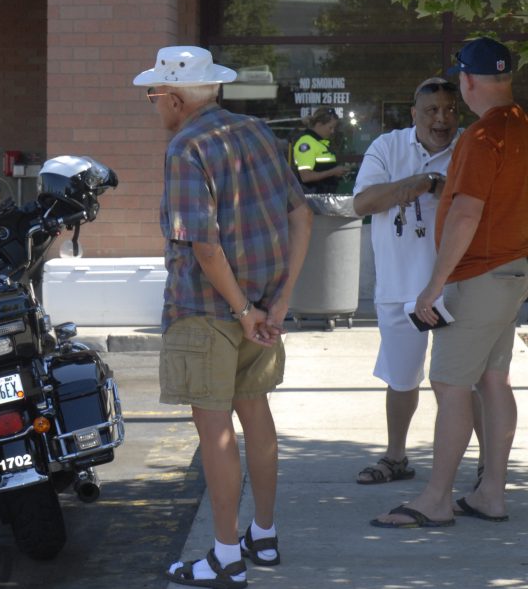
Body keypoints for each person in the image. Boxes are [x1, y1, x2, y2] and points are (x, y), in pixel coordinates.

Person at [134, 46, 312, 587]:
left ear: (175, 98)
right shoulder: (257, 131)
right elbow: (301, 215)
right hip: (262, 306)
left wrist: (241, 310)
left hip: (206, 309)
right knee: (256, 416)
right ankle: (263, 533)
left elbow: (204, 247)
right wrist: (276, 303)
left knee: (214, 432)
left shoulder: (186, 147)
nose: (153, 105)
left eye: (154, 96)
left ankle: (226, 555)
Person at [372, 37, 528, 529]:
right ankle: (491, 494)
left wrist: (432, 284)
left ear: (466, 81)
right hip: (511, 271)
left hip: (478, 274)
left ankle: (437, 499)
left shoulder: (482, 138)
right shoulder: (523, 125)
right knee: (493, 379)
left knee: (450, 383)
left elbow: (464, 213)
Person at [352, 76, 486, 485]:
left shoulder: (470, 146)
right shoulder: (387, 147)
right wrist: (412, 184)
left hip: (460, 287)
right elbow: (361, 202)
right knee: (401, 378)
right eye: (432, 110)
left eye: (450, 109)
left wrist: (441, 188)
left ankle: (487, 466)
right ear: (414, 114)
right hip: (399, 287)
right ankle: (396, 458)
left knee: (471, 380)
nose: (442, 119)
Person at [291, 106, 351, 193]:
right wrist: (333, 172)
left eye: (334, 128)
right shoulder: (307, 143)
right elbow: (306, 177)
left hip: (323, 197)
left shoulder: (321, 143)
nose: (332, 131)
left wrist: (337, 172)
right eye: (330, 127)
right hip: (313, 198)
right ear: (319, 124)